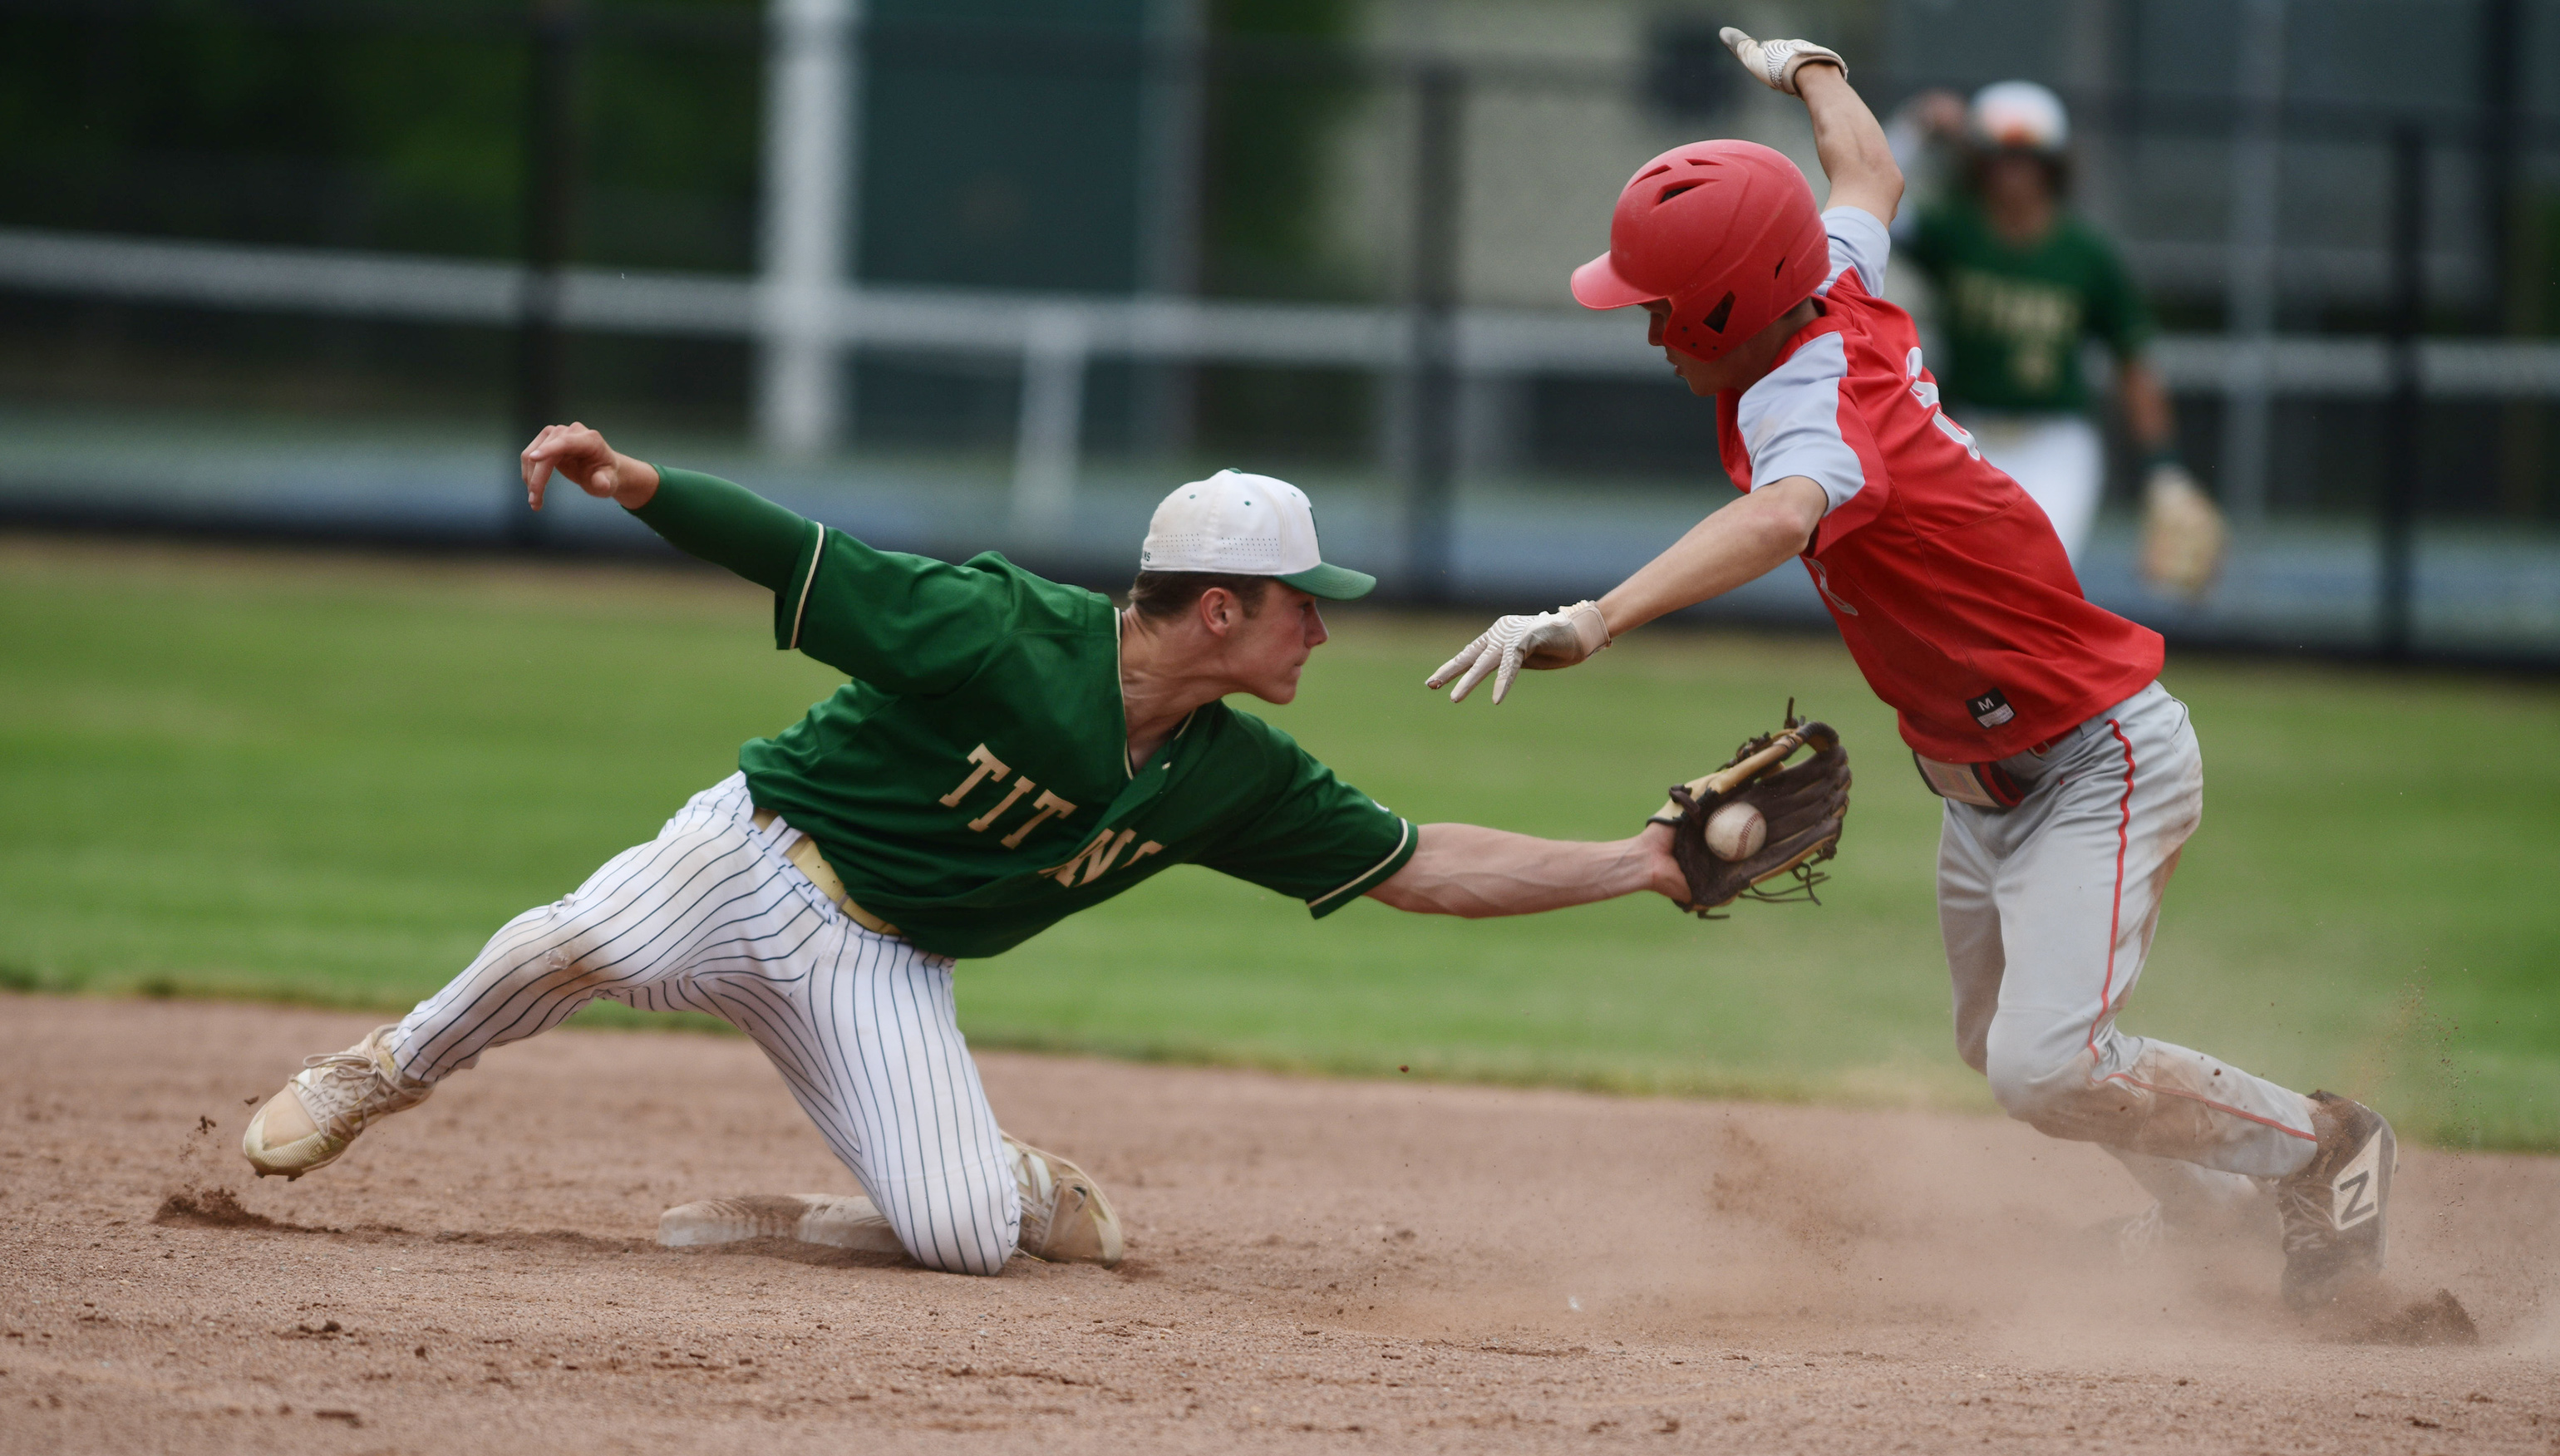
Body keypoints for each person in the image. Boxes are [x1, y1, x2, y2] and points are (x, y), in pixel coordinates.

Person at [1425, 29, 2391, 1311]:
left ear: (1723, 301)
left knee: (2046, 1067)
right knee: (2005, 1045)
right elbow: (1869, 175)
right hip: (1981, 777)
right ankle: (2220, 1221)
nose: (1647, 330)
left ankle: (2322, 1151)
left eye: (1657, 305)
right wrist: (1814, 70)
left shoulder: (1806, 402)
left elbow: (1780, 516)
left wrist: (1598, 620)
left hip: (2094, 753)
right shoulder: (1815, 275)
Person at [241, 430, 1691, 1276]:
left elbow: (1424, 861)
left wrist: (1642, 862)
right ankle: (377, 1069)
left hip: (885, 961)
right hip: (756, 851)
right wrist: (637, 482)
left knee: (966, 1237)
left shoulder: (1230, 773)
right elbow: (808, 555)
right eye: (1300, 600)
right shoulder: (1004, 630)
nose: (1322, 623)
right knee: (593, 939)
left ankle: (863, 1203)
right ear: (1217, 611)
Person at [1888, 79, 2223, 580]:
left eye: (2027, 159)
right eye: (1999, 157)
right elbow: (1871, 211)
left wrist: (2164, 469)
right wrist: (1914, 127)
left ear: (2054, 167)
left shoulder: (2086, 256)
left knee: (2033, 580)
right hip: (1966, 436)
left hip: (2057, 445)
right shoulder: (1955, 233)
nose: (2013, 173)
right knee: (1961, 586)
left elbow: (2134, 363)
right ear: (1979, 162)